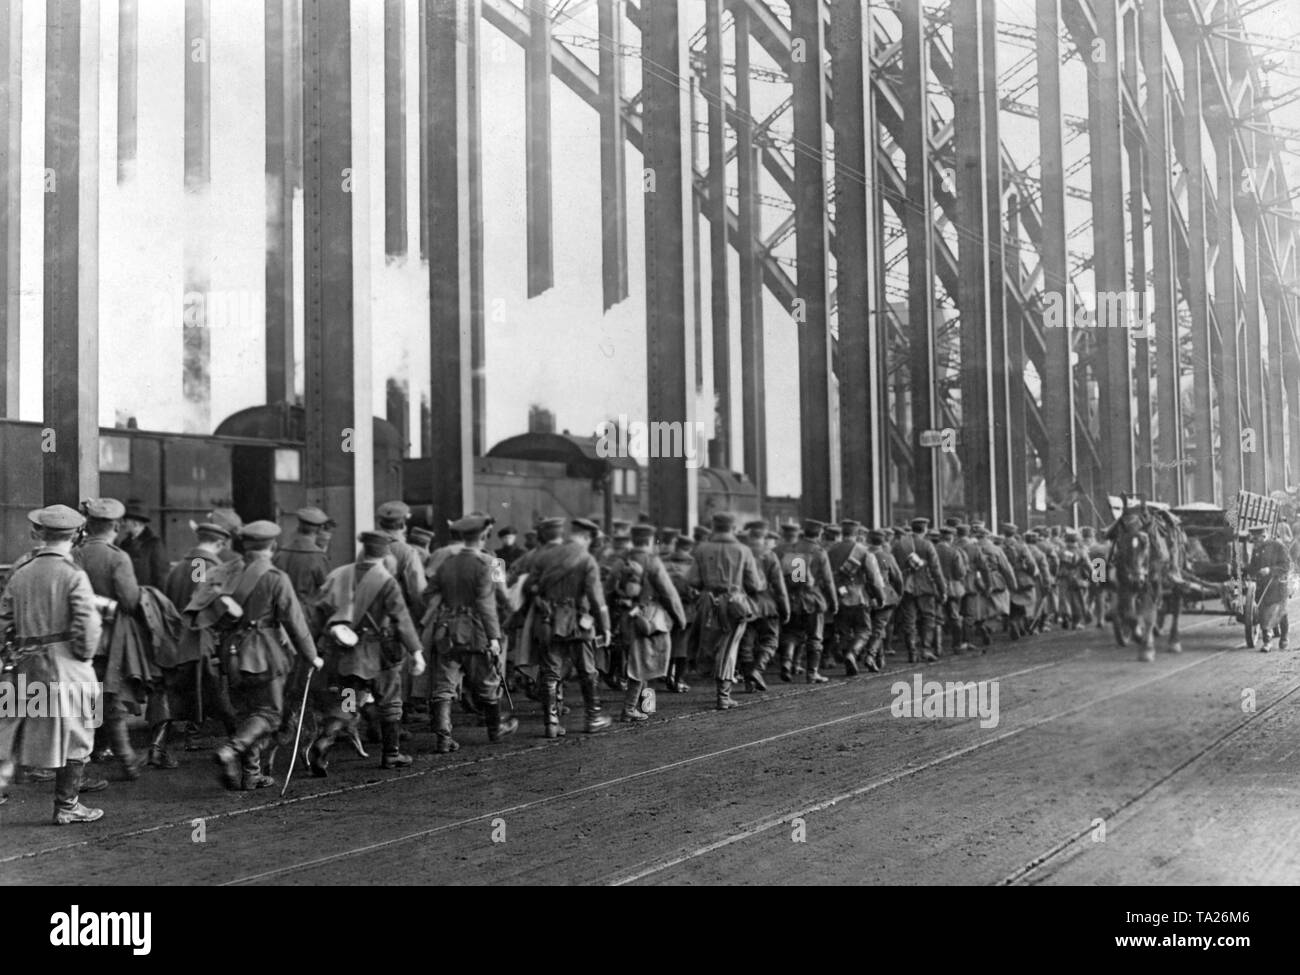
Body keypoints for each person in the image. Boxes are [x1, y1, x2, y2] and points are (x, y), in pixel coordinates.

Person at [186, 521, 324, 791]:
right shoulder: (275, 577)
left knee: (245, 713)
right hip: (264, 654)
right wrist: (312, 655)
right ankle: (231, 750)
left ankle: (251, 774)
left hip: (231, 653)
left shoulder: (225, 570)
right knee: (270, 715)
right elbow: (295, 622)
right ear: (272, 546)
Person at [0, 505, 107, 824]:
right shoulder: (73, 574)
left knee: (15, 728)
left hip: (25, 662)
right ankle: (67, 805)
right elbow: (89, 627)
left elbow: (4, 619)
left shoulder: (20, 572)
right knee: (79, 732)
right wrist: (84, 658)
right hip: (67, 663)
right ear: (75, 536)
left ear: (38, 534)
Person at [305, 531, 427, 773]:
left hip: (346, 656)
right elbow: (401, 619)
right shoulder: (386, 580)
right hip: (379, 656)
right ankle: (392, 754)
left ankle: (325, 740)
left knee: (349, 701)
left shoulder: (338, 574)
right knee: (390, 700)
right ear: (385, 553)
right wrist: (416, 652)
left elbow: (317, 613)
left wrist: (313, 650)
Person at [422, 514, 516, 751]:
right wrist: (495, 637)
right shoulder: (491, 562)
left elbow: (427, 594)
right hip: (477, 631)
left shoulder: (447, 564)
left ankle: (443, 737)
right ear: (484, 535)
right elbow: (492, 603)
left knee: (444, 684)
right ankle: (495, 728)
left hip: (447, 630)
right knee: (488, 681)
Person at [74, 498, 147, 780]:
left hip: (81, 637)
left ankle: (90, 754)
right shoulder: (118, 557)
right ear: (115, 525)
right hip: (111, 639)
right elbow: (130, 601)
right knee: (113, 700)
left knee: (87, 699)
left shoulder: (76, 554)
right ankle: (127, 760)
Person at [528, 518, 613, 736]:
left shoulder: (545, 555)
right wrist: (606, 628)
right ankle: (593, 718)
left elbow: (530, 586)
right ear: (586, 537)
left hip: (550, 621)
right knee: (587, 670)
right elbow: (596, 598)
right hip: (578, 623)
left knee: (550, 672)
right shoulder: (586, 559)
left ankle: (551, 724)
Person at [160, 521, 238, 756]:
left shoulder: (178, 568)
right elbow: (212, 602)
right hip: (202, 638)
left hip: (177, 638)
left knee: (191, 689)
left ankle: (182, 737)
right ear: (220, 543)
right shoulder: (212, 567)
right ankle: (238, 738)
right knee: (214, 688)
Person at [689, 512, 763, 707]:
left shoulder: (701, 548)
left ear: (713, 526)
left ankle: (705, 672)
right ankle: (724, 694)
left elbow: (693, 580)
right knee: (730, 646)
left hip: (707, 602)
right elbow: (756, 584)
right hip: (735, 604)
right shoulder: (747, 550)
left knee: (709, 642)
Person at [615, 524, 686, 721]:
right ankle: (638, 707)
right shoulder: (652, 561)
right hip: (648, 617)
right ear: (648, 541)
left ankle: (644, 706)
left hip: (625, 616)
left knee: (637, 661)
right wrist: (680, 618)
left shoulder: (622, 560)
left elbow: (608, 589)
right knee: (648, 662)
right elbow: (668, 593)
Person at [777, 519, 838, 683]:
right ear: (819, 534)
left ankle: (786, 663)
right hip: (812, 599)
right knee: (815, 637)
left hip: (793, 599)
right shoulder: (819, 552)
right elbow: (828, 580)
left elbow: (787, 577)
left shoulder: (793, 548)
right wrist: (833, 601)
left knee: (791, 633)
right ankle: (812, 673)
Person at [827, 519, 884, 675]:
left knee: (844, 631)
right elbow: (873, 578)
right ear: (857, 533)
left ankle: (845, 655)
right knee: (864, 630)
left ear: (842, 532)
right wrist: (880, 597)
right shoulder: (864, 551)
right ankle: (853, 653)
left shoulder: (831, 550)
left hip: (839, 596)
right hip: (859, 597)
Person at [738, 520, 789, 691]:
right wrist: (786, 608)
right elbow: (781, 586)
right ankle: (758, 670)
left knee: (746, 644)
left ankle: (748, 682)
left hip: (743, 605)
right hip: (767, 605)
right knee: (770, 640)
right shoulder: (772, 554)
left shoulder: (739, 553)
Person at [891, 517, 946, 663]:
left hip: (906, 587)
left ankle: (912, 652)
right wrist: (942, 589)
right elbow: (936, 570)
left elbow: (892, 566)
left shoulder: (899, 545)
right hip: (925, 587)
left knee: (909, 620)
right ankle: (926, 650)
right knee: (928, 617)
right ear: (925, 529)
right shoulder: (927, 545)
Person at [662, 535, 698, 692]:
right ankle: (678, 680)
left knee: (669, 642)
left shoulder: (663, 562)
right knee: (682, 645)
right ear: (689, 547)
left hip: (666, 609)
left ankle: (667, 674)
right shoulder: (692, 564)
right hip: (686, 608)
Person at [1246, 525, 1291, 652]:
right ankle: (1267, 641)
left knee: (1280, 613)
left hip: (1277, 585)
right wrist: (1245, 570)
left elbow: (1286, 565)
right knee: (1263, 613)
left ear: (1264, 535)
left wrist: (1270, 570)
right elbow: (1254, 567)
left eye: (1257, 539)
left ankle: (1284, 637)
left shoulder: (1278, 546)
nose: (1255, 542)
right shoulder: (1257, 549)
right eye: (1254, 540)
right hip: (1262, 586)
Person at [273, 506, 331, 601]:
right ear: (320, 529)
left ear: (299, 526)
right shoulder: (318, 556)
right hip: (307, 612)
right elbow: (326, 588)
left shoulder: (281, 553)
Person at [864, 529, 902, 671]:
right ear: (884, 541)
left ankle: (879, 658)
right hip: (885, 596)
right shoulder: (886, 557)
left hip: (866, 596)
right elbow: (897, 578)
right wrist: (898, 595)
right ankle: (870, 655)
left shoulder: (862, 554)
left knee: (873, 628)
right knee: (879, 627)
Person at [934, 526, 970, 655]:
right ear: (952, 537)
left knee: (937, 617)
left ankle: (937, 648)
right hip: (953, 588)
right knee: (955, 616)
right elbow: (960, 573)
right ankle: (957, 645)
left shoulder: (933, 549)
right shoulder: (954, 552)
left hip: (936, 587)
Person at [117, 501, 168, 589]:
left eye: (125, 521)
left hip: (146, 598)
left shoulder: (154, 544)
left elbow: (161, 578)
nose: (123, 524)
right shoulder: (124, 544)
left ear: (135, 523)